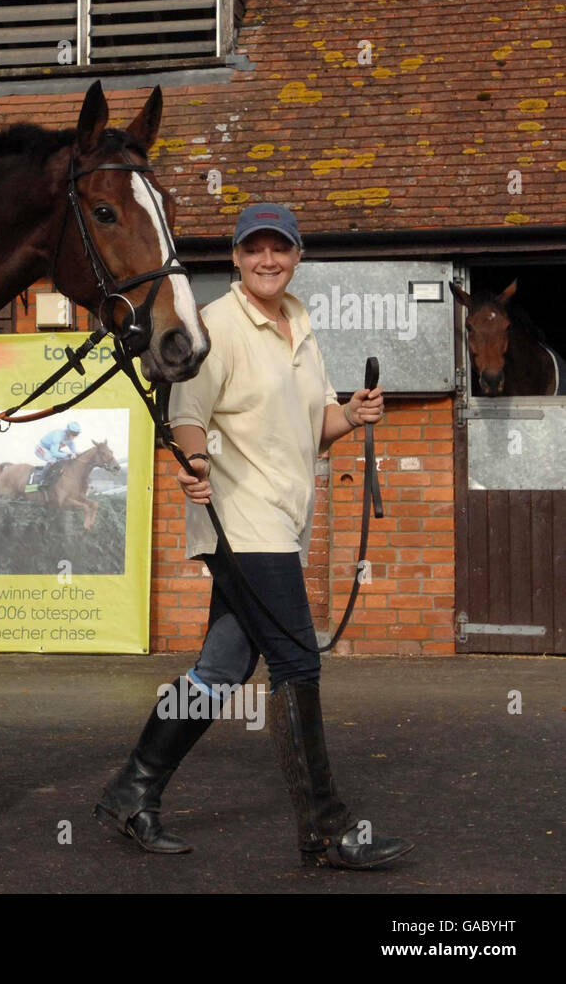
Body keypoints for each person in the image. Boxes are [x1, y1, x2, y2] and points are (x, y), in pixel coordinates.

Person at [94, 202, 414, 870]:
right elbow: (187, 415)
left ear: (296, 256)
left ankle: (131, 791)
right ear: (237, 258)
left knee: (222, 669)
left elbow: (314, 424)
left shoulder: (298, 321)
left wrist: (351, 414)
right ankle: (327, 830)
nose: (268, 260)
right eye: (254, 249)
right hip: (241, 522)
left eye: (281, 249)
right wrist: (195, 462)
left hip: (282, 520)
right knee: (297, 664)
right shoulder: (215, 325)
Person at [34, 420, 81, 486]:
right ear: (68, 431)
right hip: (41, 448)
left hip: (51, 450)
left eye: (76, 434)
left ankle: (54, 476)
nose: (74, 436)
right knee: (52, 460)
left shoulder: (70, 439)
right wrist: (68, 455)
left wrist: (75, 454)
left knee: (66, 458)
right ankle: (41, 480)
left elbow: (73, 450)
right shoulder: (58, 436)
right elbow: (54, 453)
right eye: (74, 434)